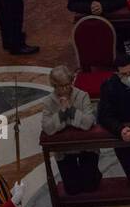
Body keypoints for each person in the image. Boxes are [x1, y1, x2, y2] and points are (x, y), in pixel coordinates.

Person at [42, 66, 103, 195]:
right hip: (64, 150)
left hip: (86, 147)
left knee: (90, 187)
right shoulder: (49, 101)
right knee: (72, 190)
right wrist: (61, 113)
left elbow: (88, 122)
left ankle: (94, 174)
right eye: (60, 86)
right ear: (54, 85)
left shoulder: (82, 96)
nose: (64, 89)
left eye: (67, 85)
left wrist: (71, 110)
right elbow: (47, 128)